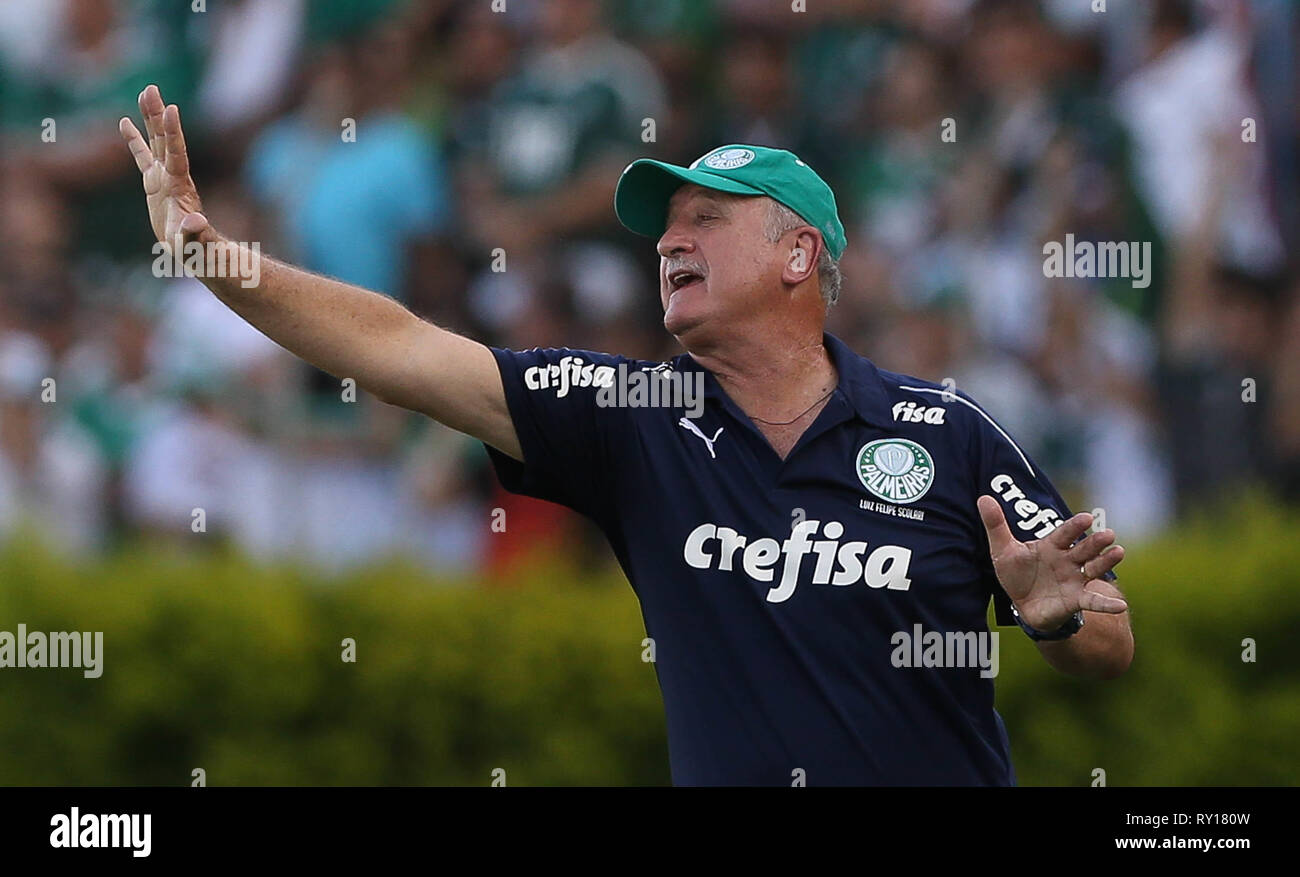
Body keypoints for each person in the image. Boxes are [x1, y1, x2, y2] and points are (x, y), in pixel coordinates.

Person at [119, 85, 1133, 786]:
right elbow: (402, 350)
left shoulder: (947, 431)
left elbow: (1107, 637)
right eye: (663, 224)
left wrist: (1048, 614)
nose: (669, 238)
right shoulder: (634, 417)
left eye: (704, 218)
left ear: (796, 255)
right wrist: (217, 260)